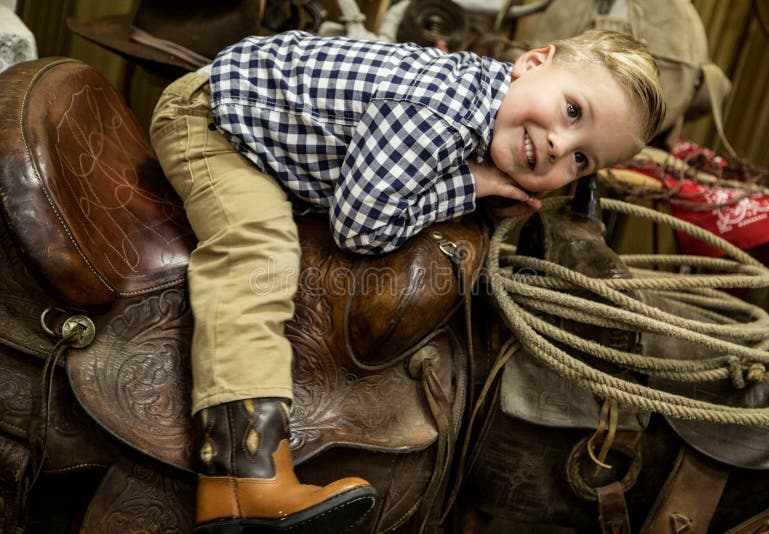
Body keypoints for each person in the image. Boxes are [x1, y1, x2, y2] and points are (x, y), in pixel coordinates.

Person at [149, 28, 664, 533]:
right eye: (572, 111)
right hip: (215, 118)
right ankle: (241, 475)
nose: (558, 145)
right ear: (531, 63)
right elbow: (360, 228)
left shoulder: (485, 105)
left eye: (581, 159)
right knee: (256, 255)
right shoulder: (437, 111)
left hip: (270, 124)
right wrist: (471, 184)